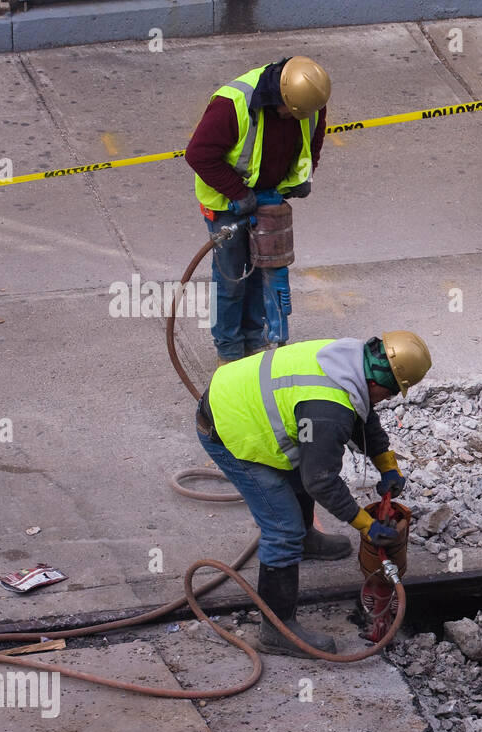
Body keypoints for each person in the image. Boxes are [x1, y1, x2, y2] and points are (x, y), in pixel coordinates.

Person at [195, 332, 431, 657]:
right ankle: (276, 631)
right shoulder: (328, 410)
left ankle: (305, 540)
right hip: (229, 428)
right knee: (282, 528)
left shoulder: (350, 360)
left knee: (301, 467)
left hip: (244, 401)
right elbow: (319, 481)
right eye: (390, 393)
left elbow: (364, 416)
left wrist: (387, 465)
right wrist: (366, 524)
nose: (386, 399)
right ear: (378, 382)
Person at [186, 56, 330, 364]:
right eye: (288, 114)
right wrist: (239, 193)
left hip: (270, 197)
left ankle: (254, 345)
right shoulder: (232, 103)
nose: (293, 120)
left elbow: (313, 142)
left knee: (265, 275)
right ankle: (228, 352)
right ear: (280, 97)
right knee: (231, 280)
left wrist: (304, 175)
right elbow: (198, 155)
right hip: (228, 204)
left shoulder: (309, 100)